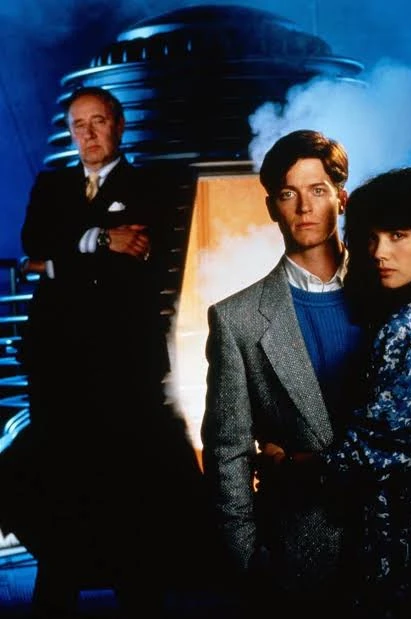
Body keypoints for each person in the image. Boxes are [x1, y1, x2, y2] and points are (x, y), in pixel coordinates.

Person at [257, 166, 411, 618]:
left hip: (408, 557)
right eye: (371, 237)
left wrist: (287, 465)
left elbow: (370, 455)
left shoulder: (408, 324)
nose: (379, 252)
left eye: (398, 235)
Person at [9, 86, 205, 619]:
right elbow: (33, 244)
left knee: (125, 483)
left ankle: (136, 592)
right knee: (60, 479)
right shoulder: (51, 184)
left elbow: (131, 259)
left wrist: (55, 263)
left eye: (98, 121)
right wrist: (98, 240)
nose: (89, 134)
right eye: (79, 124)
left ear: (119, 124)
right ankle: (58, 589)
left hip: (122, 367)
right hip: (56, 366)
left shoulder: (150, 185)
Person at [200, 130, 364, 615]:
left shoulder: (391, 295)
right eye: (289, 194)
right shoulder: (237, 318)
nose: (304, 207)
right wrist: (248, 560)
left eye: (317, 190)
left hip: (399, 547)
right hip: (299, 558)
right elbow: (227, 450)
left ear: (341, 198)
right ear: (272, 207)